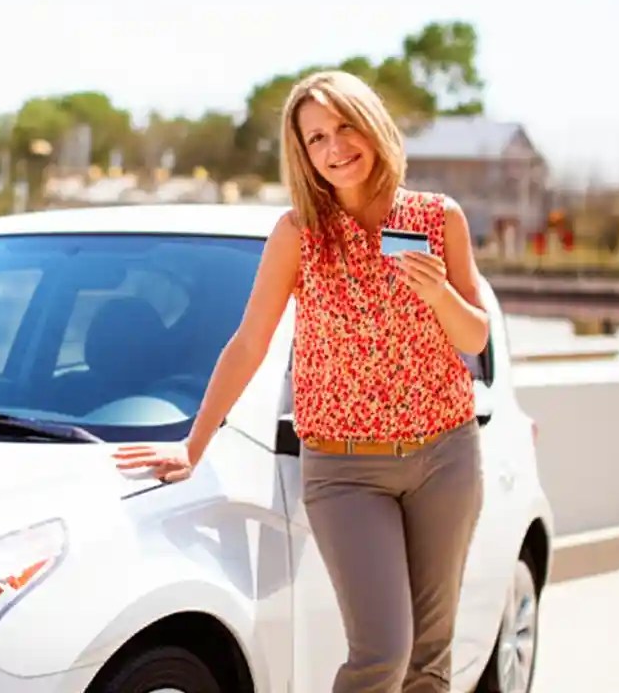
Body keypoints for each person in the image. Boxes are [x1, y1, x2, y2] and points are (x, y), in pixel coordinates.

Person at [115, 69, 490, 693]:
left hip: (445, 456)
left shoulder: (436, 217)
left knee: (430, 661)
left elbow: (474, 337)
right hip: (346, 470)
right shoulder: (299, 234)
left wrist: (438, 291)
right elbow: (249, 342)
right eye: (316, 138)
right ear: (303, 152)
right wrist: (193, 444)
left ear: (372, 127)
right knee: (382, 654)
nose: (335, 147)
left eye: (345, 127)